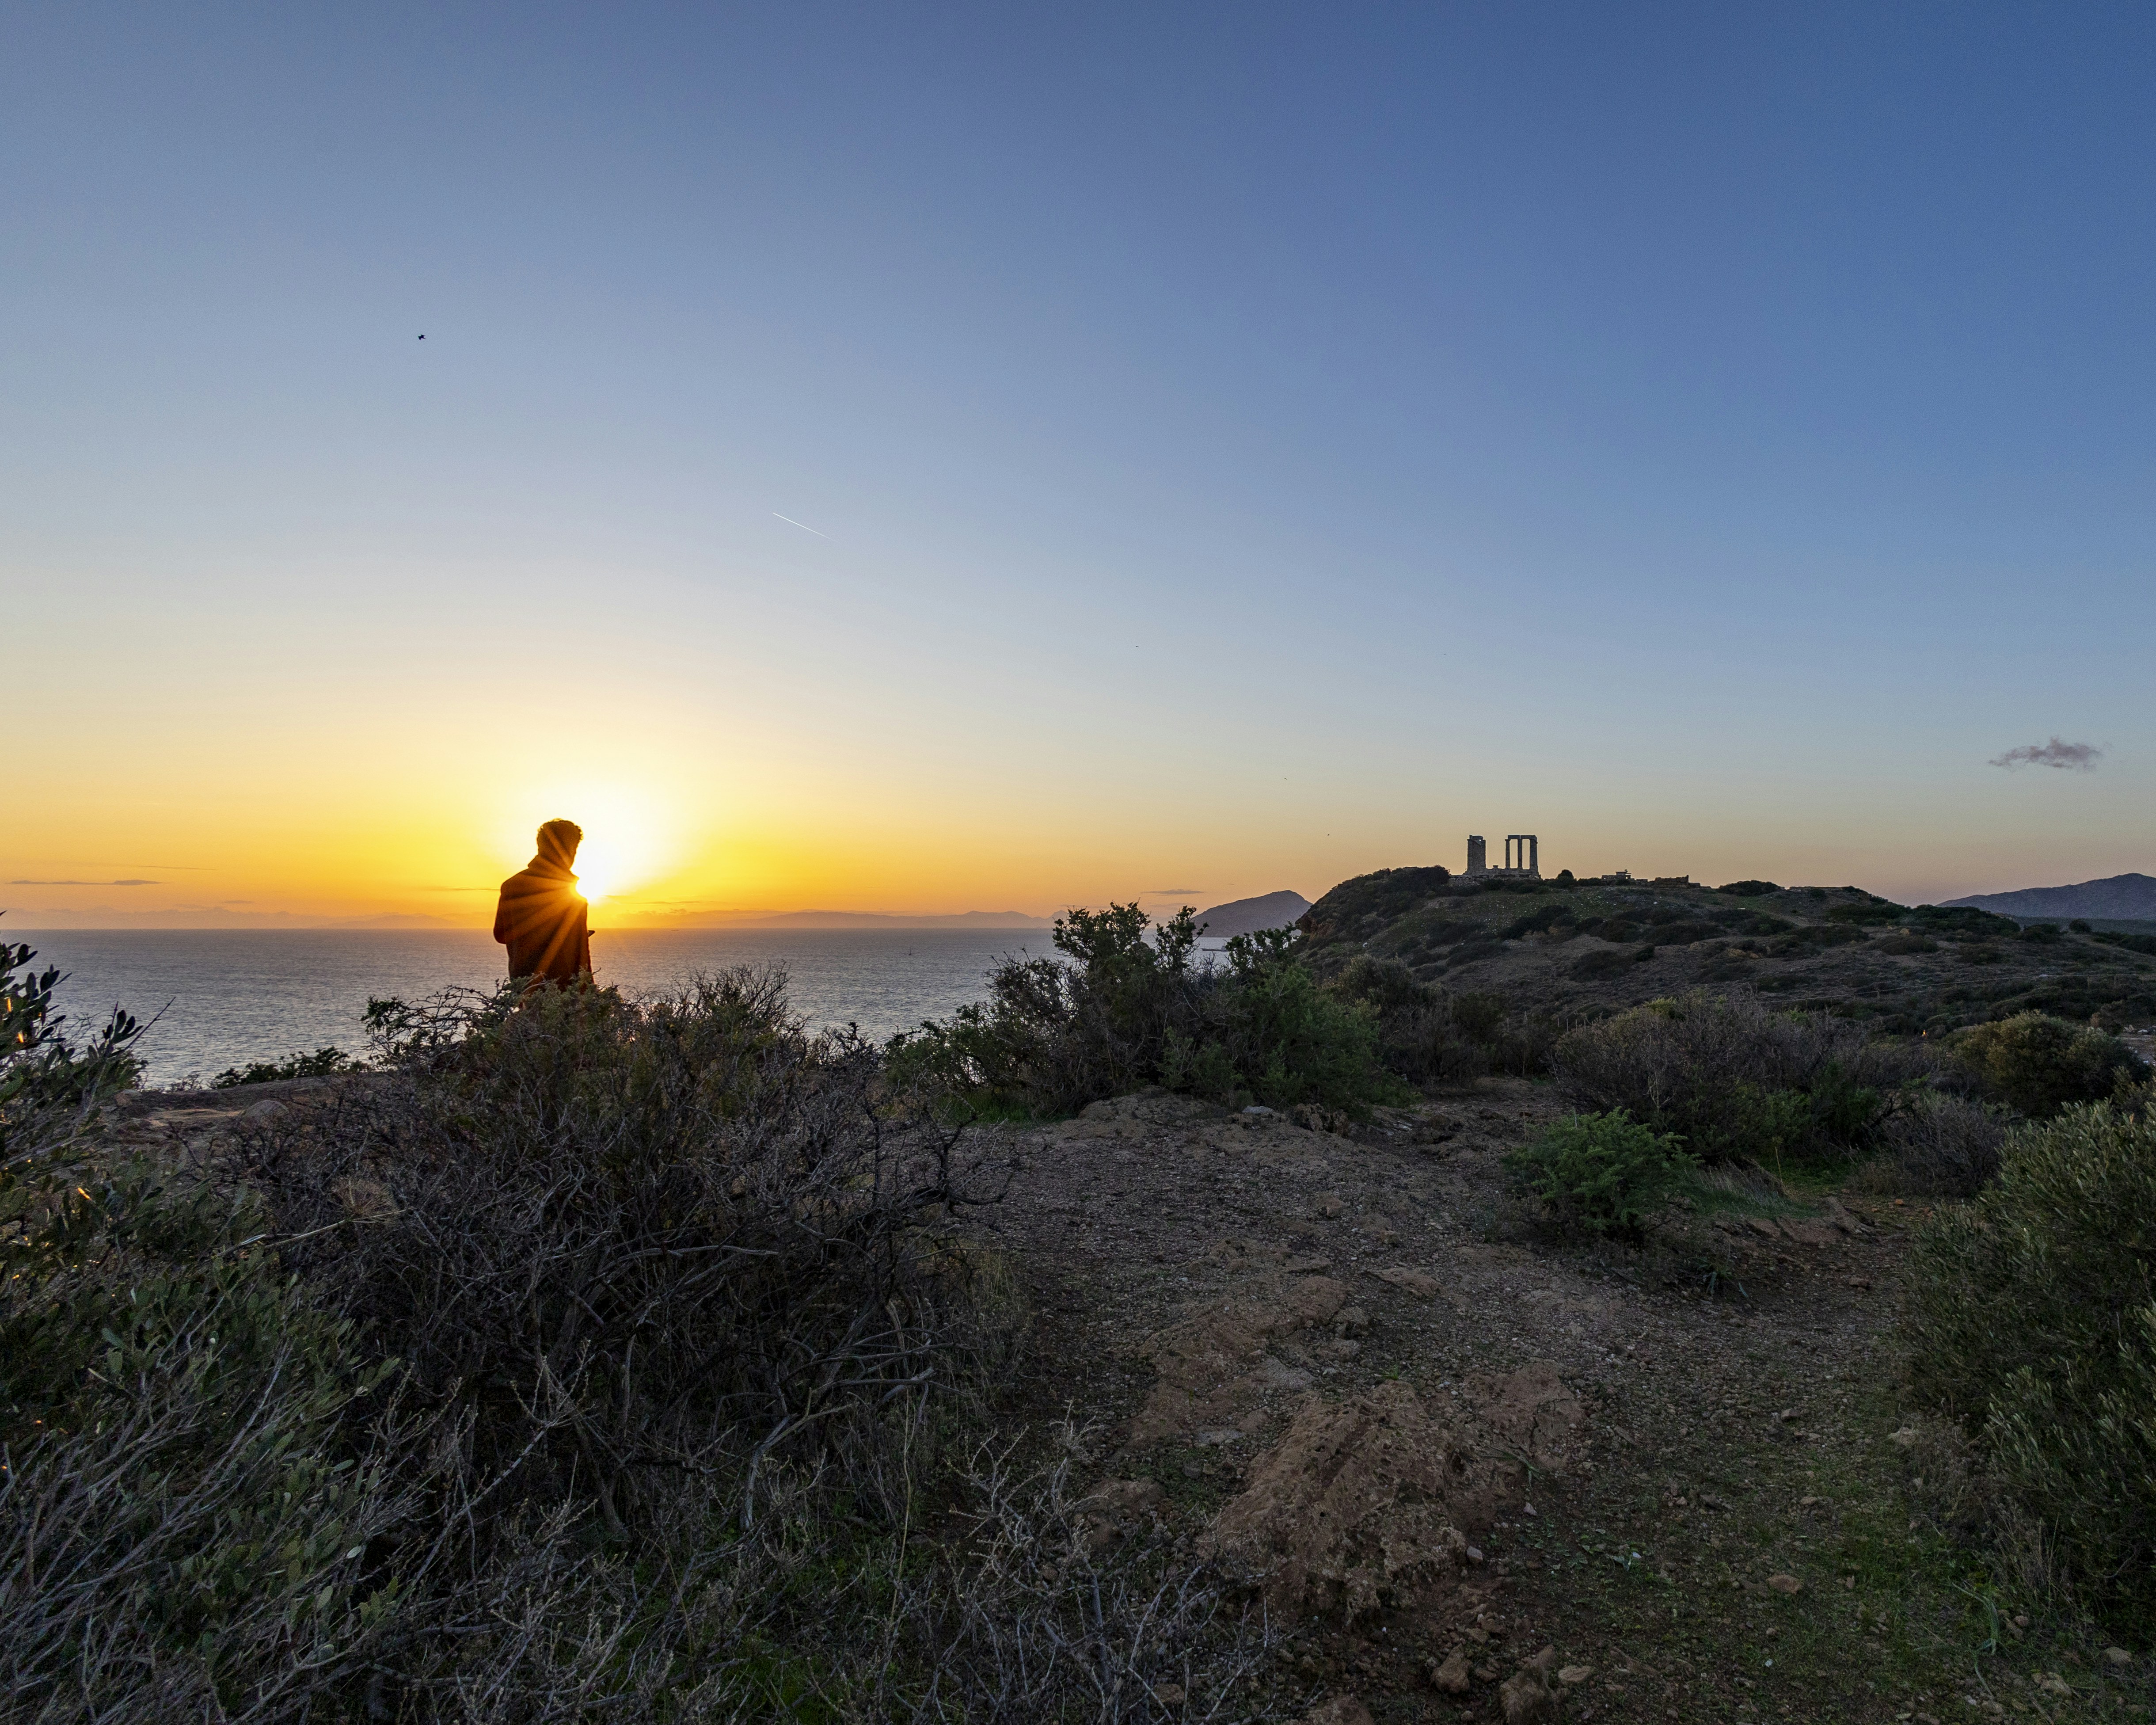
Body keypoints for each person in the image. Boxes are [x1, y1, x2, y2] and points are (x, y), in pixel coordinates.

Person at [494, 818, 593, 985]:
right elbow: (582, 959)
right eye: (574, 849)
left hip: (524, 983)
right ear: (569, 850)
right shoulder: (573, 899)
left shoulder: (511, 886)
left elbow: (502, 936)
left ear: (541, 846)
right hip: (564, 988)